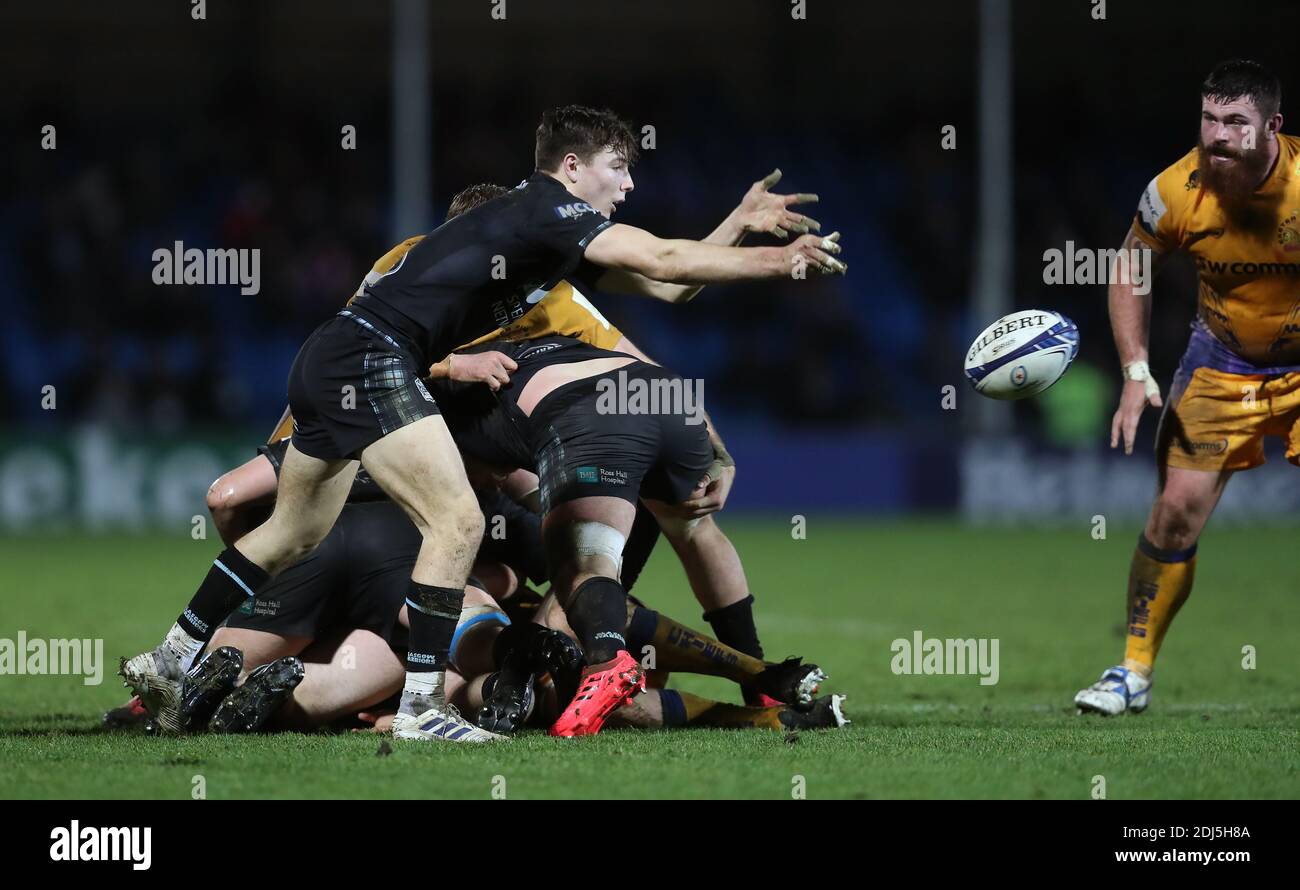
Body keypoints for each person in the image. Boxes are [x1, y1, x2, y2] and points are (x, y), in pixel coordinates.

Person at [121, 105, 846, 743]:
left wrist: (738, 228)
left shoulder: (539, 237)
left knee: (292, 531)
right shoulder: (551, 210)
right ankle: (419, 709)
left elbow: (667, 280)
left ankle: (170, 658)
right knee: (460, 523)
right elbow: (658, 254)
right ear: (571, 168)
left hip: (330, 356)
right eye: (617, 169)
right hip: (376, 361)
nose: (627, 187)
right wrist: (782, 262)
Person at [1075, 60, 1299, 714]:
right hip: (1223, 361)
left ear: (1272, 128)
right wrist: (1136, 369)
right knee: (1173, 510)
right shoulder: (1176, 188)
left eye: (1236, 122)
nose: (1218, 136)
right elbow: (1130, 264)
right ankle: (1132, 672)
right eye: (1209, 119)